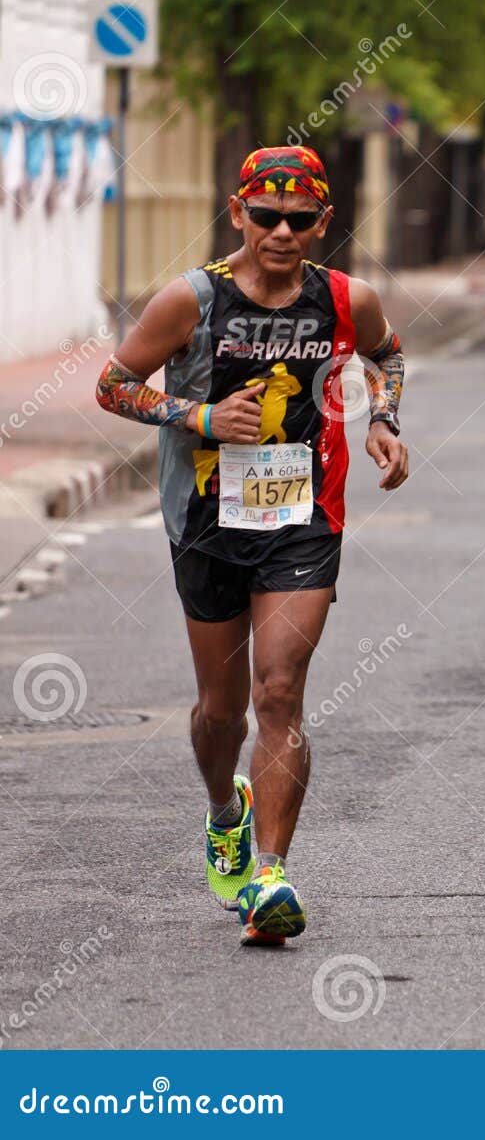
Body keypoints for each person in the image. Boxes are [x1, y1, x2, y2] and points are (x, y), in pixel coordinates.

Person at [95, 146, 409, 945]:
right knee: (220, 711)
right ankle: (223, 809)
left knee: (278, 691)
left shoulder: (345, 298)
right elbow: (113, 383)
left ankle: (270, 873)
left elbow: (388, 353)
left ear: (323, 222)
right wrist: (198, 417)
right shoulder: (192, 300)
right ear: (237, 212)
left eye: (300, 219)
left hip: (303, 519)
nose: (281, 231)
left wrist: (385, 420)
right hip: (206, 520)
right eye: (265, 216)